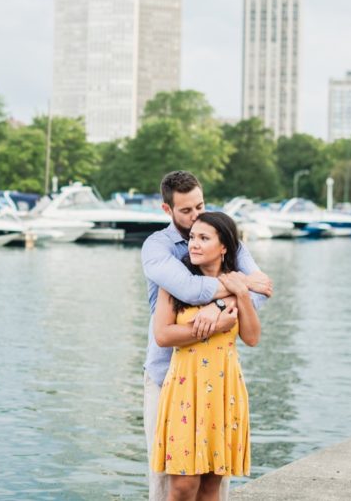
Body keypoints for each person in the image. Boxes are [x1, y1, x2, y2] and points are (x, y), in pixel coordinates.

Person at [142, 171, 271, 501]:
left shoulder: (229, 241)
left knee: (215, 484)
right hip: (169, 378)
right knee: (170, 484)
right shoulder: (159, 248)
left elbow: (260, 287)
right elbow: (185, 288)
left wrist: (227, 303)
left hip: (221, 384)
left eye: (200, 206)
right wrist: (227, 299)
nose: (196, 216)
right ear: (167, 210)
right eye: (186, 211)